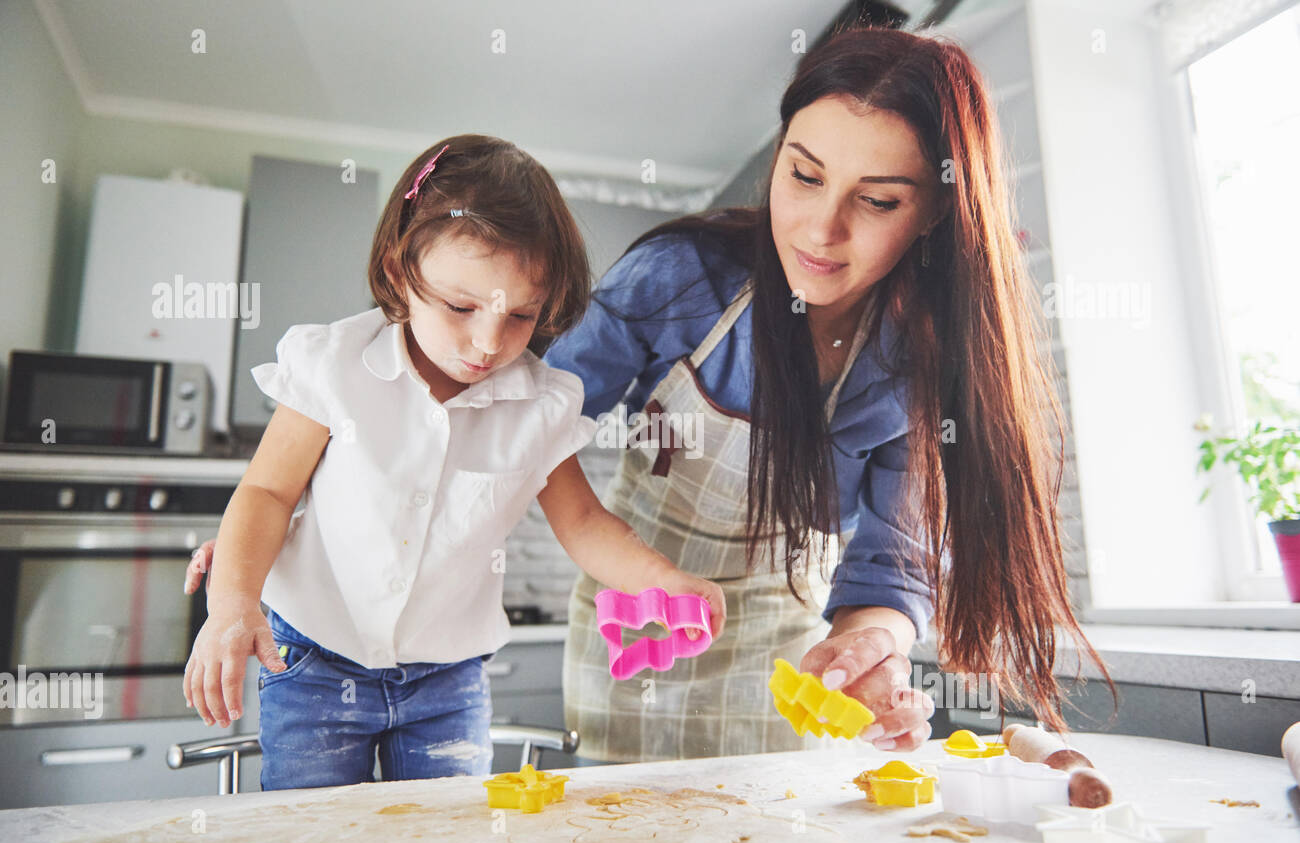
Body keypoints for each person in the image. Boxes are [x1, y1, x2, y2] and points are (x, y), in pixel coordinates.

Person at [540, 25, 1116, 763]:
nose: (821, 227)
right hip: (636, 621)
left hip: (783, 648)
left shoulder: (917, 362)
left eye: (877, 200)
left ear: (935, 212)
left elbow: (889, 566)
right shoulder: (680, 277)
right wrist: (636, 567)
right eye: (804, 175)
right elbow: (538, 428)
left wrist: (863, 650)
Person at [181, 134, 724, 790]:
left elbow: (582, 521)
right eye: (461, 306)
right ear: (398, 270)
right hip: (315, 664)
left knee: (450, 841)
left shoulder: (542, 403)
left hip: (448, 683)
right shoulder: (333, 365)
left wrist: (661, 579)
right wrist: (234, 598)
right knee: (311, 839)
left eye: (522, 315)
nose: (489, 342)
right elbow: (267, 492)